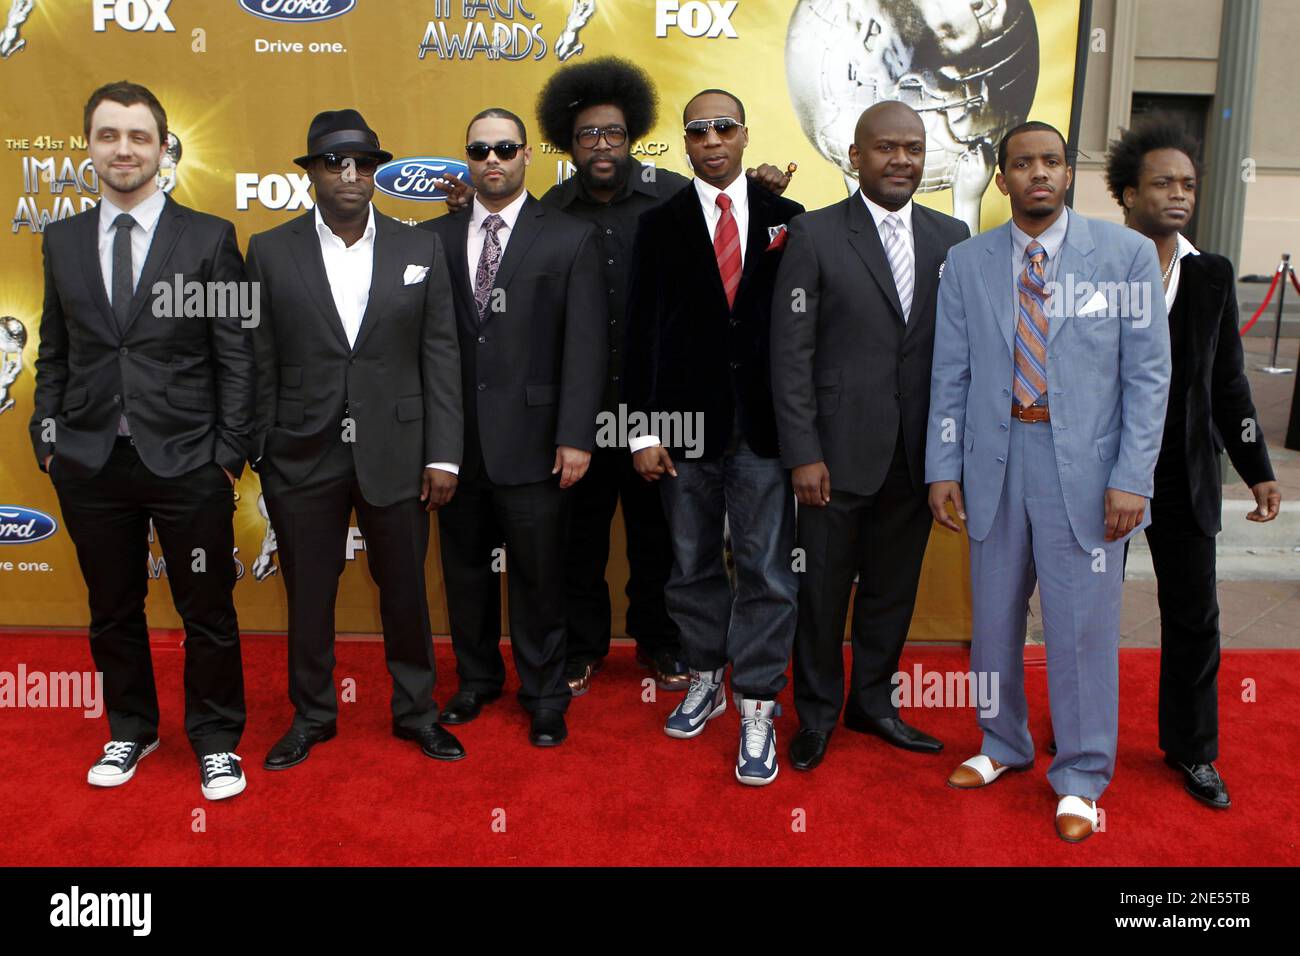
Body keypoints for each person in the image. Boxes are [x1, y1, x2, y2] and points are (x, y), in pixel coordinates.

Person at [926, 121, 1170, 842]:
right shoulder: (967, 263)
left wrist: (1132, 478)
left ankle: (1083, 773)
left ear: (1069, 175)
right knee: (994, 620)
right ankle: (1001, 743)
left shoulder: (1124, 257)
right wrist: (943, 464)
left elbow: (1148, 377)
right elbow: (950, 374)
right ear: (1001, 178)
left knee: (1082, 630)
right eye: (1023, 163)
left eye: (1052, 162)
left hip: (1091, 476)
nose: (1039, 173)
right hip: (995, 462)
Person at [30, 81, 254, 800]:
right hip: (91, 463)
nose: (122, 149)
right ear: (89, 146)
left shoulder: (210, 236)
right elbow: (57, 350)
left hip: (189, 460)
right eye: (107, 135)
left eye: (137, 136)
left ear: (163, 148)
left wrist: (227, 456)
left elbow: (238, 355)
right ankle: (131, 730)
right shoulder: (61, 239)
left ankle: (217, 739)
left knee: (207, 608)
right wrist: (50, 437)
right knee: (112, 607)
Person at [249, 108, 466, 769]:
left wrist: (442, 453)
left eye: (363, 163)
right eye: (334, 162)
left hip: (399, 453)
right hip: (299, 453)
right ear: (311, 172)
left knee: (404, 591)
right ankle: (312, 716)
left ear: (377, 172)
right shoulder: (268, 249)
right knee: (308, 595)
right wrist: (262, 450)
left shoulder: (418, 247)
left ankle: (417, 713)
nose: (349, 174)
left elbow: (441, 355)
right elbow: (256, 357)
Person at [771, 101, 969, 771]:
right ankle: (818, 714)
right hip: (832, 458)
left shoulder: (953, 236)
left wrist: (949, 454)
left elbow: (958, 357)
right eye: (886, 147)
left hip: (915, 460)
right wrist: (803, 452)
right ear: (855, 156)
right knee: (822, 593)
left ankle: (874, 703)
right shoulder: (816, 235)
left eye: (913, 147)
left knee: (892, 590)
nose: (903, 160)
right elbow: (789, 355)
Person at [625, 89, 804, 785]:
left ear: (745, 133)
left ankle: (757, 700)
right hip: (681, 428)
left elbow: (804, 336)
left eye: (723, 126)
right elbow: (639, 333)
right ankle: (706, 675)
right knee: (693, 563)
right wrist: (640, 427)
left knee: (765, 570)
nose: (712, 140)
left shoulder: (790, 220)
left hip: (764, 429)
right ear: (687, 143)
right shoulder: (659, 224)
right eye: (697, 131)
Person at [1102, 117, 1280, 809]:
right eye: (1161, 183)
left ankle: (1193, 750)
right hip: (1107, 469)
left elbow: (1228, 380)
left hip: (1185, 472)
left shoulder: (1211, 275)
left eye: (1188, 183)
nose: (1178, 194)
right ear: (1125, 193)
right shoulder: (1093, 265)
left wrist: (1257, 466)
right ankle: (1085, 731)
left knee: (1195, 616)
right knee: (1090, 611)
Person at [421, 107, 606, 747]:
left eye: (504, 148)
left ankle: (545, 693)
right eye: (479, 150)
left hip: (538, 443)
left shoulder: (568, 237)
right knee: (465, 572)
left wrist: (577, 434)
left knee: (538, 576)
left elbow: (586, 348)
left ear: (526, 154)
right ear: (467, 159)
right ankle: (475, 681)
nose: (492, 159)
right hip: (456, 445)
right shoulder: (434, 240)